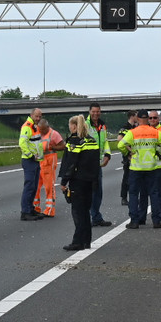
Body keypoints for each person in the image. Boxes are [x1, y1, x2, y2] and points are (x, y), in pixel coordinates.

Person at [118, 109, 161, 229]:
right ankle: (156, 221)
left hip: (136, 167)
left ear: (137, 119)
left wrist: (129, 153)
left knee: (133, 194)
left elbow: (120, 145)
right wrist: (159, 154)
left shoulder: (133, 132)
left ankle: (134, 221)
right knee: (154, 193)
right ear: (147, 119)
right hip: (151, 167)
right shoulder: (155, 132)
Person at [59, 115, 101, 251]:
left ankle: (77, 241)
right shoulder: (92, 141)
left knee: (77, 212)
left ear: (74, 126)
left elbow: (71, 163)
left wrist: (64, 181)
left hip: (78, 181)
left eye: (70, 125)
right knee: (86, 212)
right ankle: (86, 241)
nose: (69, 128)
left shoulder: (74, 141)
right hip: (90, 181)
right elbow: (96, 164)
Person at [87, 104, 113, 228]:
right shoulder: (85, 125)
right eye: (93, 112)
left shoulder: (102, 126)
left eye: (98, 112)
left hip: (98, 164)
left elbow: (105, 141)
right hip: (87, 164)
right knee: (89, 192)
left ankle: (96, 217)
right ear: (89, 112)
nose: (96, 114)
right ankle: (89, 218)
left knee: (98, 192)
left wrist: (107, 154)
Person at [33, 118, 64, 217]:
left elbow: (63, 146)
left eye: (42, 130)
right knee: (36, 186)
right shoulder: (37, 132)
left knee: (49, 186)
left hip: (49, 160)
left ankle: (50, 210)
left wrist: (52, 147)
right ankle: (35, 208)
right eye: (39, 129)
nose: (41, 131)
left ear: (47, 127)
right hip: (39, 160)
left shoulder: (54, 134)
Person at [18, 107, 44, 221]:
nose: (38, 118)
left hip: (35, 160)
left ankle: (30, 208)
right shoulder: (27, 127)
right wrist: (31, 155)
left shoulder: (34, 127)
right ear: (31, 115)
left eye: (40, 116)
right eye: (36, 116)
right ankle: (25, 212)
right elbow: (22, 143)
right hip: (29, 160)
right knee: (29, 186)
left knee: (34, 186)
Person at [119, 112, 138, 206]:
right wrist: (129, 150)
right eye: (136, 116)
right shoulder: (125, 127)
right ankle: (124, 198)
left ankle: (133, 197)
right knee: (126, 177)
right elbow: (120, 139)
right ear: (132, 116)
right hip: (128, 156)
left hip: (136, 156)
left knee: (135, 178)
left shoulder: (135, 128)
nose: (137, 118)